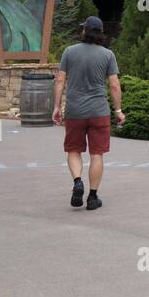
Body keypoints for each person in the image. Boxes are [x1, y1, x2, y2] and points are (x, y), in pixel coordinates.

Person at [53, 16, 124, 210]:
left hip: (75, 111)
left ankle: (77, 182)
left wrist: (57, 107)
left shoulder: (69, 52)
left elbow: (60, 81)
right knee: (97, 154)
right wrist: (118, 110)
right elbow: (115, 85)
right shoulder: (108, 55)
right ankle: (93, 197)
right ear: (100, 33)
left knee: (73, 150)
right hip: (99, 110)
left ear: (85, 31)